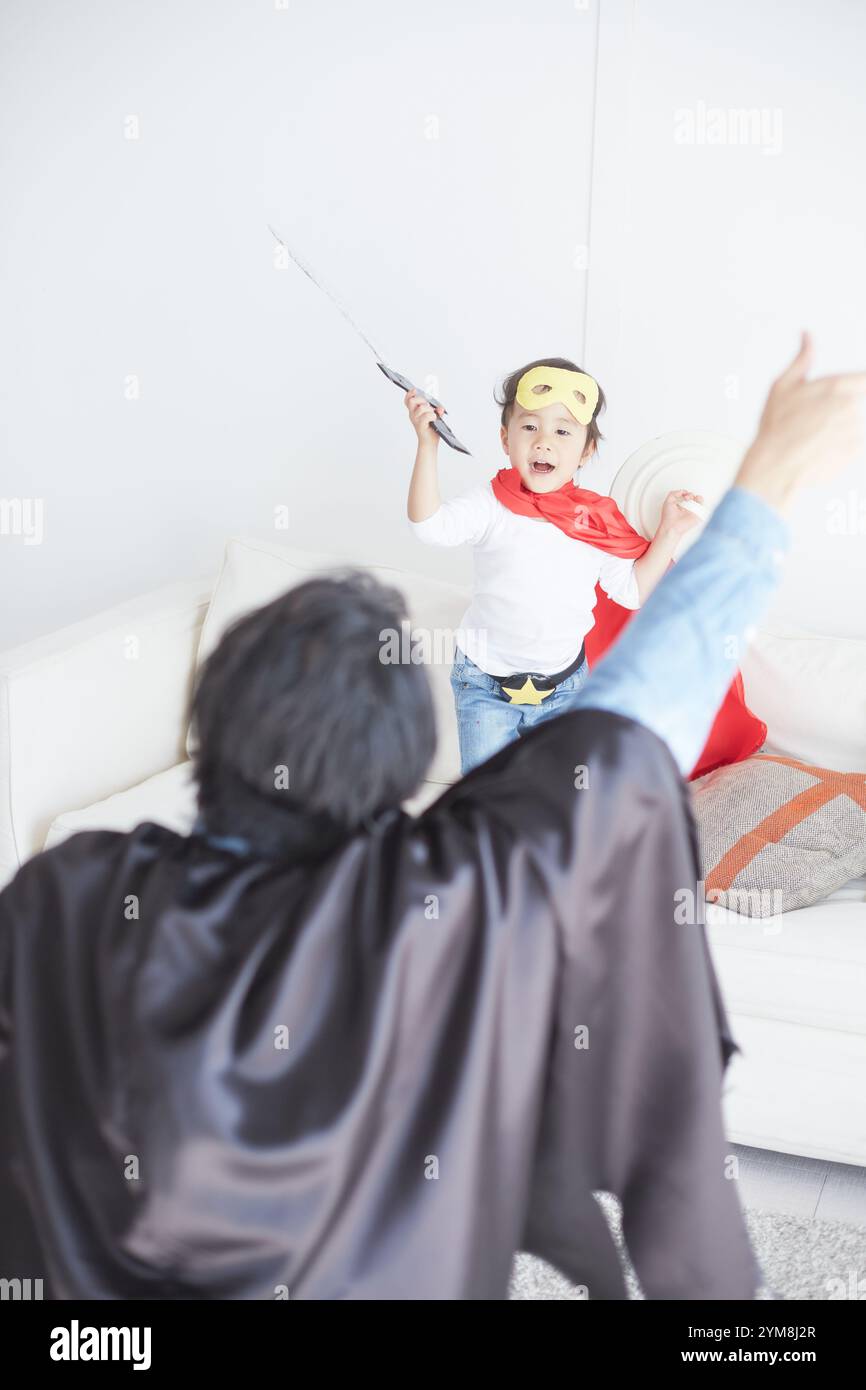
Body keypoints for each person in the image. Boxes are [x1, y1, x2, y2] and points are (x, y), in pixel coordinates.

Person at [0, 334, 862, 1300]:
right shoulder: (454, 894)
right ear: (408, 761)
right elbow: (648, 698)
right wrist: (773, 476)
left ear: (213, 718)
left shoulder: (64, 890)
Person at [406, 357, 704, 775]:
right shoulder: (489, 504)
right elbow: (429, 527)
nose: (544, 441)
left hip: (565, 690)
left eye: (562, 431)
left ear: (587, 451)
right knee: (485, 801)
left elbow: (631, 591)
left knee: (561, 799)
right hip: (484, 688)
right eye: (529, 427)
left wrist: (670, 531)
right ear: (505, 438)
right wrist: (427, 446)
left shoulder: (596, 519)